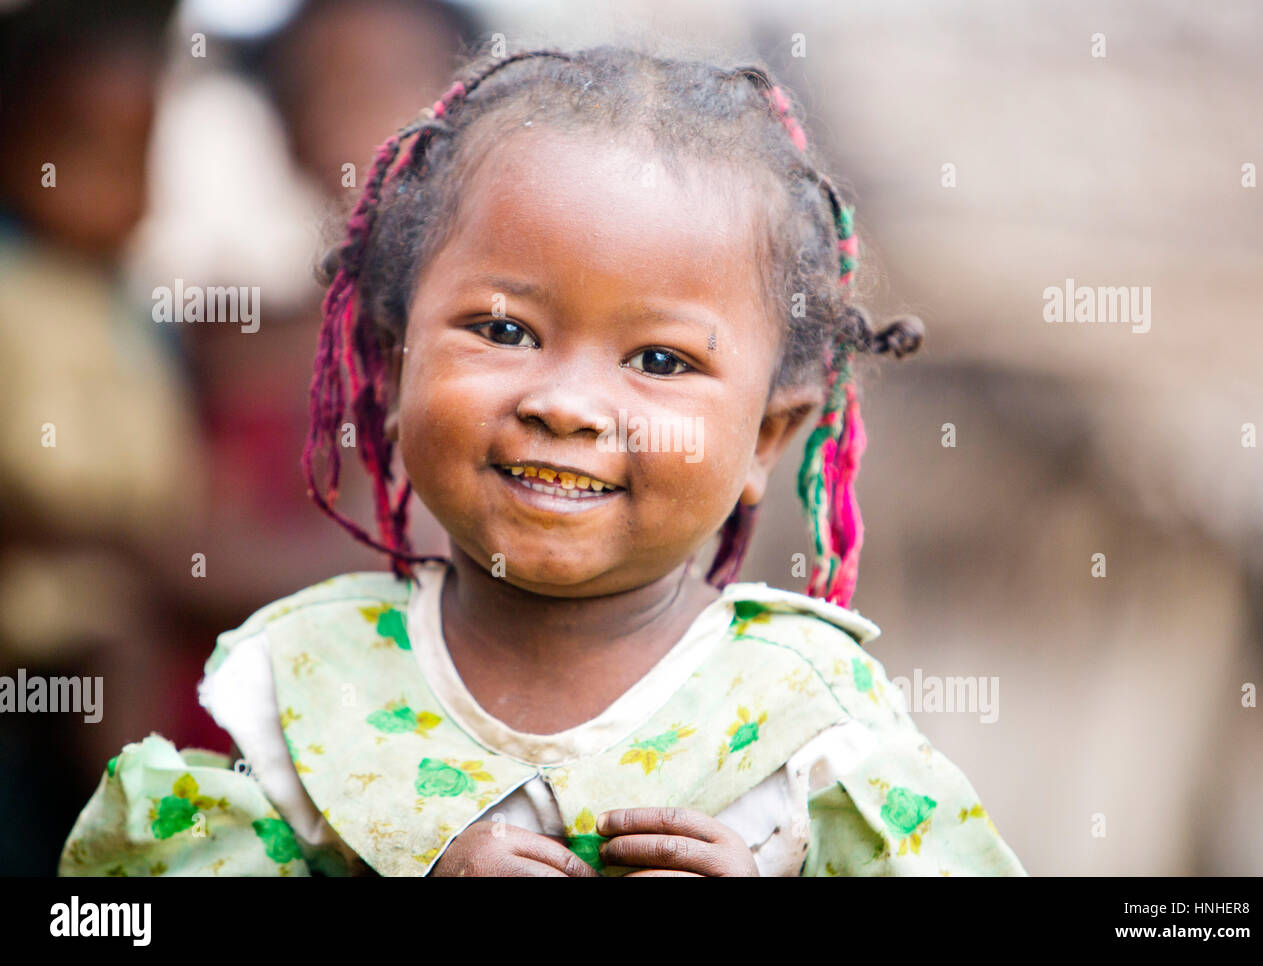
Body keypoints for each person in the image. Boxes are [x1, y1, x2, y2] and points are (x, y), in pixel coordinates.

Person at [58, 42, 1026, 877]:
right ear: (393, 367)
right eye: (503, 328)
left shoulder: (810, 717)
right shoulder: (312, 679)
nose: (564, 404)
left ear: (766, 438)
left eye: (660, 360)